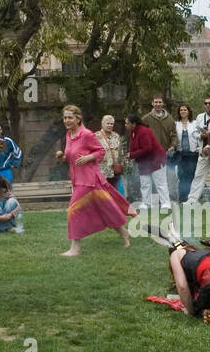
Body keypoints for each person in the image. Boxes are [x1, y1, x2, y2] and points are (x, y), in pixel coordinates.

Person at [57, 104, 131, 256]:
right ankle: (124, 233)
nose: (66, 120)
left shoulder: (86, 134)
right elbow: (72, 155)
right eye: (65, 117)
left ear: (78, 119)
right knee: (105, 208)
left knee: (73, 210)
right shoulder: (69, 135)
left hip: (89, 179)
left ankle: (75, 248)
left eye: (70, 117)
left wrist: (88, 158)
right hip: (77, 180)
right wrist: (62, 156)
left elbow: (100, 151)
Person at [126, 112, 169, 214]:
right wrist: (131, 154)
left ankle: (166, 203)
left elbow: (147, 148)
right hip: (144, 161)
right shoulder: (132, 132)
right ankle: (146, 203)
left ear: (134, 124)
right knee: (145, 183)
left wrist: (132, 155)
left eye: (127, 123)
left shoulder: (144, 131)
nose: (126, 125)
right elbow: (134, 147)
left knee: (160, 183)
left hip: (156, 159)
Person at [188, 97, 210, 205]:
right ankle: (192, 200)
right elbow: (193, 133)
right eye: (206, 103)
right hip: (203, 150)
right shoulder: (199, 117)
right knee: (198, 175)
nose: (208, 105)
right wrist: (201, 135)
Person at [94, 114, 129, 202]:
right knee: (103, 193)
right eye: (108, 123)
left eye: (111, 124)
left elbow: (121, 151)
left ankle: (116, 209)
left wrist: (123, 164)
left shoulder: (116, 136)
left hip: (115, 169)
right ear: (102, 124)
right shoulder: (95, 136)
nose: (110, 125)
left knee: (115, 190)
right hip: (101, 169)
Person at [173, 103, 199, 202]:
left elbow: (199, 137)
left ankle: (192, 199)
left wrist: (199, 148)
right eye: (181, 110)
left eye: (185, 110)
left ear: (188, 112)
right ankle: (183, 199)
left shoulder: (195, 123)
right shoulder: (175, 124)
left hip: (193, 154)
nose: (183, 111)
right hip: (180, 154)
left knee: (192, 176)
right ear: (179, 112)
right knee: (182, 176)